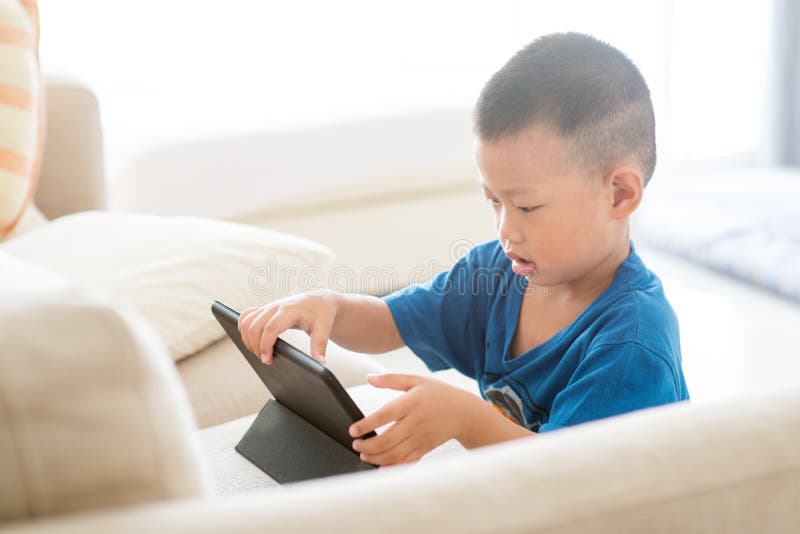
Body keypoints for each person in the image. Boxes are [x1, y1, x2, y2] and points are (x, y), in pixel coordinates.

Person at [238, 32, 689, 467]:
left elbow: (569, 477)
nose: (505, 229)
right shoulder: (497, 269)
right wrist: (330, 307)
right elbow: (393, 322)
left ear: (620, 195)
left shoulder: (633, 342)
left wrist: (469, 420)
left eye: (528, 206)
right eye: (494, 201)